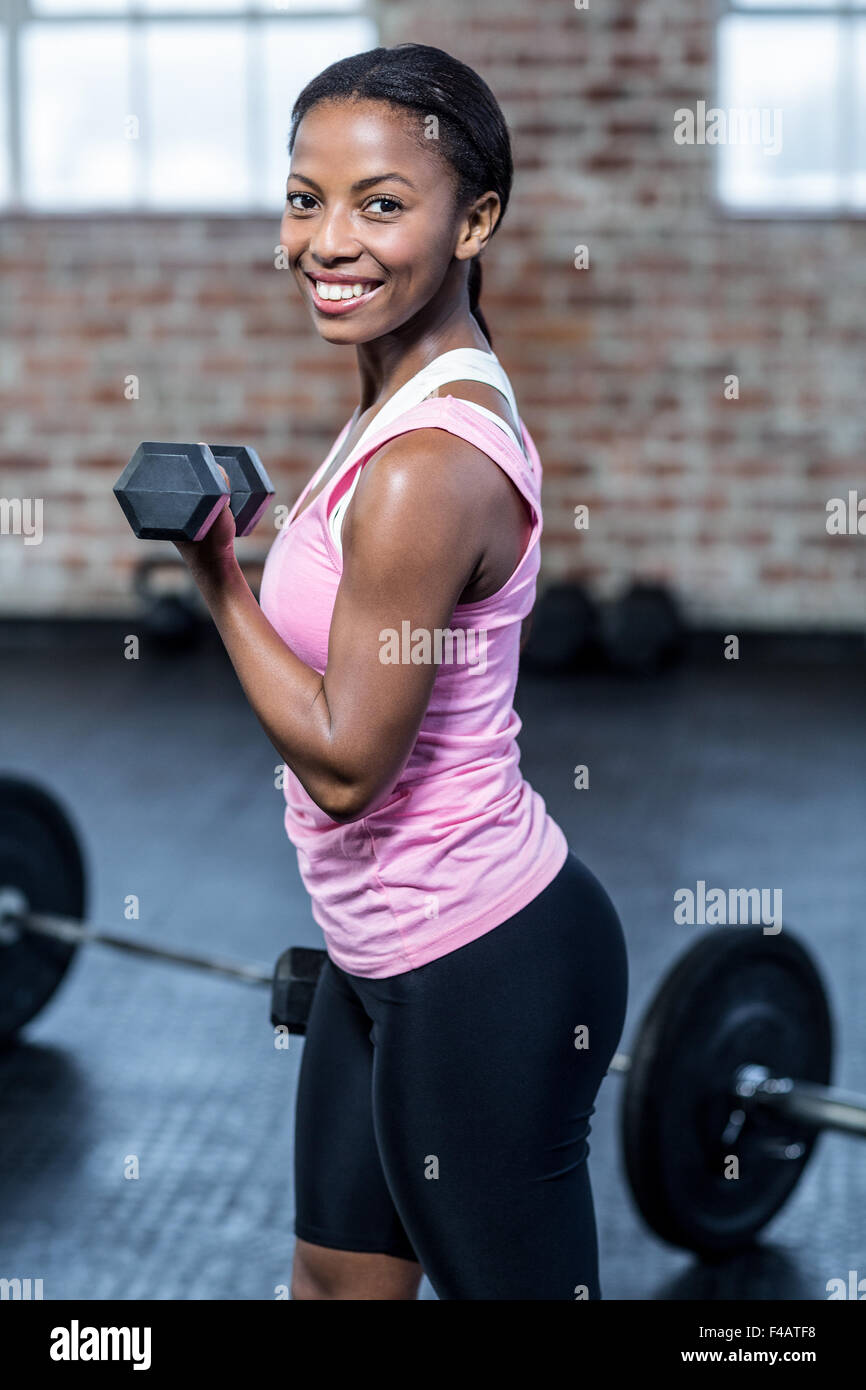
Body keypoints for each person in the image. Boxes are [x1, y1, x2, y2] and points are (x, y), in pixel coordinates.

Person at [175, 43, 628, 1301]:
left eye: (381, 204)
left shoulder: (428, 461)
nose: (329, 240)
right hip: (376, 950)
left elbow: (343, 767)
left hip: (481, 956)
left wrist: (214, 573)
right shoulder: (398, 395)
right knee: (333, 1285)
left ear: (474, 219)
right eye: (305, 197)